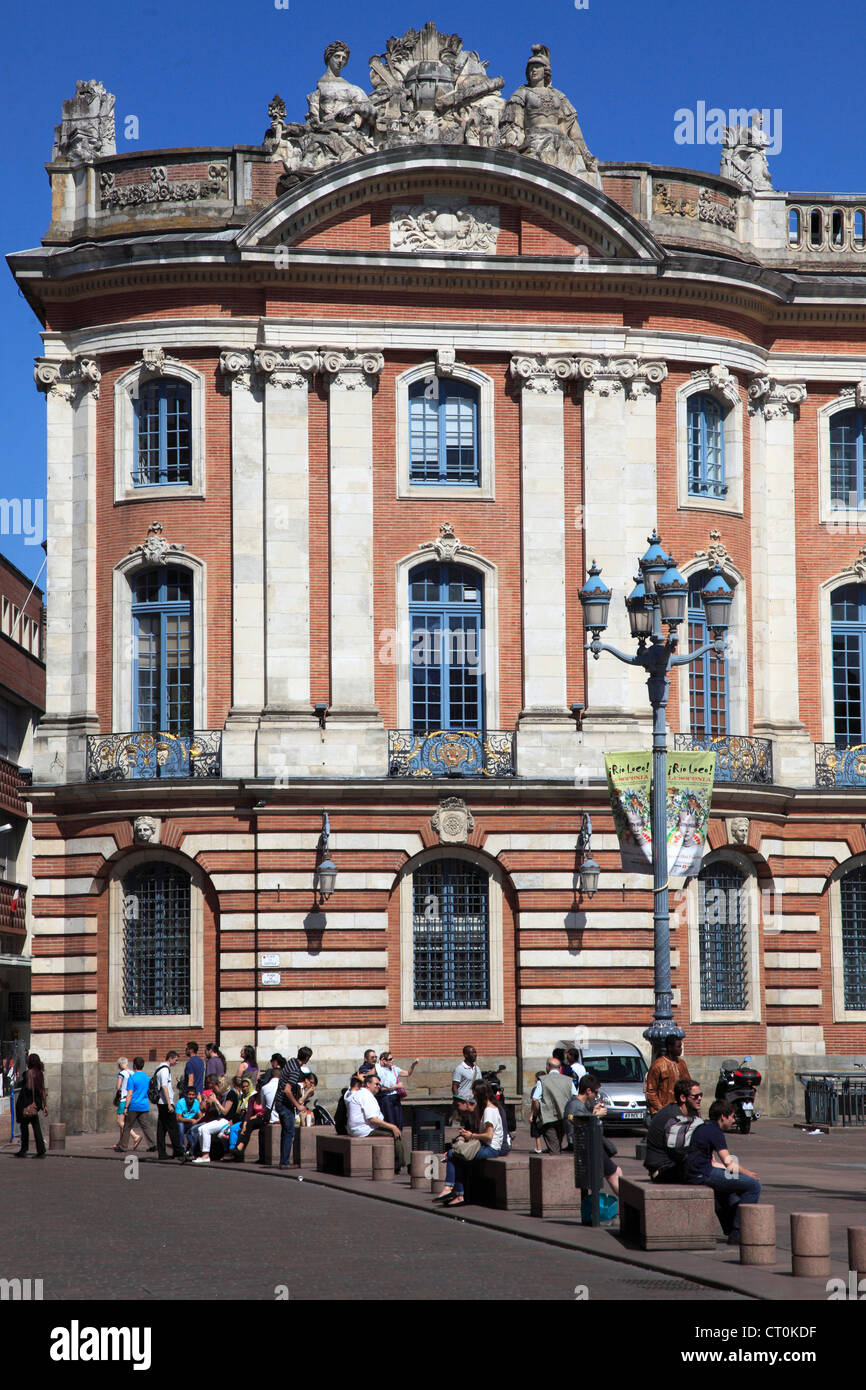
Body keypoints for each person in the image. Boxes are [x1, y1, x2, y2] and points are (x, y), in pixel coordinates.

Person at [685, 1100, 761, 1243]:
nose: (733, 1120)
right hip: (703, 1174)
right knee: (753, 1186)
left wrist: (736, 1174)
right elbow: (729, 1163)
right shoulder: (715, 1132)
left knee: (730, 1189)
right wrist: (747, 1173)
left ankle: (731, 1227)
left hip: (697, 1171)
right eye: (732, 1116)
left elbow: (714, 1163)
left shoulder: (704, 1128)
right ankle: (739, 1231)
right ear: (722, 1117)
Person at [435, 1082, 504, 1208]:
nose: (475, 1099)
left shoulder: (489, 1111)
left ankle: (451, 1189)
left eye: (475, 1096)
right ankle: (456, 1192)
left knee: (453, 1154)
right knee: (457, 1156)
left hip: (491, 1149)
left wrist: (471, 1135)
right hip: (487, 1146)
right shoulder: (490, 1109)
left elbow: (489, 1135)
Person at [567, 1074, 622, 1197]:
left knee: (614, 1173)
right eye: (595, 1093)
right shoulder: (576, 1105)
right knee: (615, 1173)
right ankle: (629, 1204)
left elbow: (580, 1121)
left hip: (587, 1147)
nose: (596, 1096)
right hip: (588, 1147)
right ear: (588, 1091)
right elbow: (582, 1127)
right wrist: (596, 1116)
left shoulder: (576, 1104)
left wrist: (593, 1112)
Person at [346, 1071, 409, 1173]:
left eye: (379, 1084)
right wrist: (392, 1127)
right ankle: (404, 1164)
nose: (378, 1086)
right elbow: (373, 1119)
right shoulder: (366, 1096)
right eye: (376, 1084)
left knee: (393, 1130)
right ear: (367, 1084)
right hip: (364, 1130)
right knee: (396, 1134)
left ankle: (400, 1162)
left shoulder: (360, 1093)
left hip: (357, 1129)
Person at [644, 1078, 703, 1183]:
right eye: (695, 1096)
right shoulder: (674, 1118)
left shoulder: (683, 1112)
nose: (699, 1098)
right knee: (715, 1176)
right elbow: (679, 1151)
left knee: (728, 1177)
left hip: (672, 1167)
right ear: (683, 1098)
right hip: (664, 1170)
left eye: (701, 1095)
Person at [274, 1045, 313, 1167]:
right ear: (306, 1058)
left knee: (285, 1132)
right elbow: (287, 1090)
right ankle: (284, 1162)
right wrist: (298, 1105)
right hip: (286, 1105)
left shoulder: (291, 1062)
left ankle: (283, 1160)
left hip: (279, 1102)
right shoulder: (296, 1070)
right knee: (289, 1133)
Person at [191, 1077, 242, 1163]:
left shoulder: (231, 1094)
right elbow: (218, 1112)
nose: (215, 1088)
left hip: (226, 1120)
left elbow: (225, 1111)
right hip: (220, 1119)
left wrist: (216, 1101)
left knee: (205, 1129)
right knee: (200, 1129)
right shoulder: (223, 1095)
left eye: (217, 1086)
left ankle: (206, 1155)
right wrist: (210, 1101)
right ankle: (202, 1153)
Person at [531, 1057, 576, 1153]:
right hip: (564, 1117)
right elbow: (575, 1097)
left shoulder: (542, 1081)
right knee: (557, 1142)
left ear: (547, 1067)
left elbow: (535, 1099)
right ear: (560, 1069)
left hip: (548, 1118)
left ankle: (556, 1163)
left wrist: (537, 1113)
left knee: (554, 1147)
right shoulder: (569, 1080)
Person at [115, 1056, 158, 1153]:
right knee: (146, 1126)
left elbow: (129, 1093)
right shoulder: (147, 1078)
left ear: (134, 1065)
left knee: (127, 1126)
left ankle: (123, 1146)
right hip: (144, 1105)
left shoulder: (132, 1078)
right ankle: (153, 1144)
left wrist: (126, 1107)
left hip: (133, 1105)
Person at [645, 1036, 691, 1115]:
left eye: (681, 1046)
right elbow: (651, 1092)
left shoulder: (682, 1064)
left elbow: (688, 1085)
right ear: (670, 1047)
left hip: (680, 1110)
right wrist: (661, 1110)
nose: (681, 1049)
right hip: (663, 1110)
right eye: (678, 1046)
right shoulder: (658, 1065)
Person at [153, 1050, 185, 1161]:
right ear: (170, 1058)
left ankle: (162, 1153)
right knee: (173, 1127)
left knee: (161, 1129)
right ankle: (178, 1151)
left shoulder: (160, 1068)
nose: (176, 1062)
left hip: (162, 1103)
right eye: (176, 1060)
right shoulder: (165, 1070)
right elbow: (164, 1086)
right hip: (165, 1103)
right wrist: (169, 1104)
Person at [14, 1053, 48, 1157]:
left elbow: (27, 1087)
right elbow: (42, 1090)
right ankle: (40, 1150)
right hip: (36, 1104)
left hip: (27, 1104)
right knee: (36, 1126)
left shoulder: (28, 1073)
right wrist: (44, 1105)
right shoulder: (40, 1074)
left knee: (24, 1127)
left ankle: (24, 1149)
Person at [375, 1052, 419, 1130]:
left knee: (399, 1120)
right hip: (386, 1098)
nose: (392, 1060)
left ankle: (398, 1137)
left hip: (395, 1097)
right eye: (390, 1059)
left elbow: (408, 1073)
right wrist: (396, 1086)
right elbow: (381, 1089)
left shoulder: (394, 1069)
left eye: (392, 1058)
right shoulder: (380, 1071)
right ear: (384, 1060)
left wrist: (413, 1065)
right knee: (390, 1120)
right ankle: (391, 1138)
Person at [114, 1056, 141, 1150]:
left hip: (123, 1098)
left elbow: (118, 1087)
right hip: (131, 1099)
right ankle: (120, 1142)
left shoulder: (122, 1073)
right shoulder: (132, 1073)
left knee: (120, 1121)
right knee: (125, 1121)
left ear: (121, 1064)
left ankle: (135, 1136)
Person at [452, 1045, 482, 1113]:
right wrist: (457, 1102)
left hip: (473, 1104)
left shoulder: (477, 1069)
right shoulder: (459, 1069)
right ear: (466, 1055)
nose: (475, 1054)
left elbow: (479, 1085)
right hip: (463, 1104)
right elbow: (455, 1086)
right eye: (472, 1052)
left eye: (475, 1052)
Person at [175, 1086, 202, 1154]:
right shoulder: (180, 1103)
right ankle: (182, 1147)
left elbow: (200, 1115)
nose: (191, 1097)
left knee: (196, 1128)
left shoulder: (196, 1102)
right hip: (182, 1122)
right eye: (189, 1094)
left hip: (191, 1123)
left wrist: (197, 1120)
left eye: (193, 1095)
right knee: (180, 1125)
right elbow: (178, 1118)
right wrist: (190, 1120)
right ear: (186, 1095)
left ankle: (192, 1147)